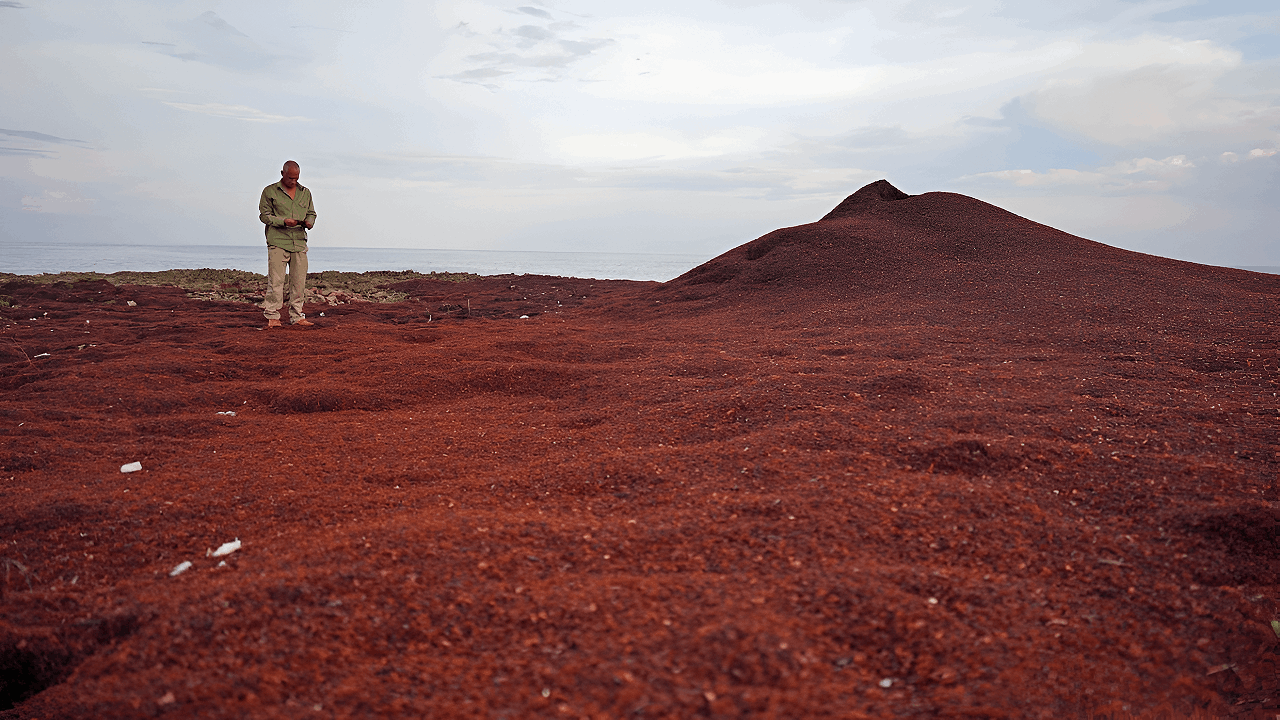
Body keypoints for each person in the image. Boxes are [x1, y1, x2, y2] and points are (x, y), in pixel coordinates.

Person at [259, 160, 317, 328]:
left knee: (299, 282)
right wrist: (283, 221)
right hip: (278, 241)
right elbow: (264, 216)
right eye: (290, 178)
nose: (293, 181)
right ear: (282, 174)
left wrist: (310, 222)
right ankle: (272, 316)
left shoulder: (305, 192)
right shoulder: (269, 191)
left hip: (299, 242)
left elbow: (312, 213)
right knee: (276, 281)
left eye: (296, 178)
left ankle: (297, 316)